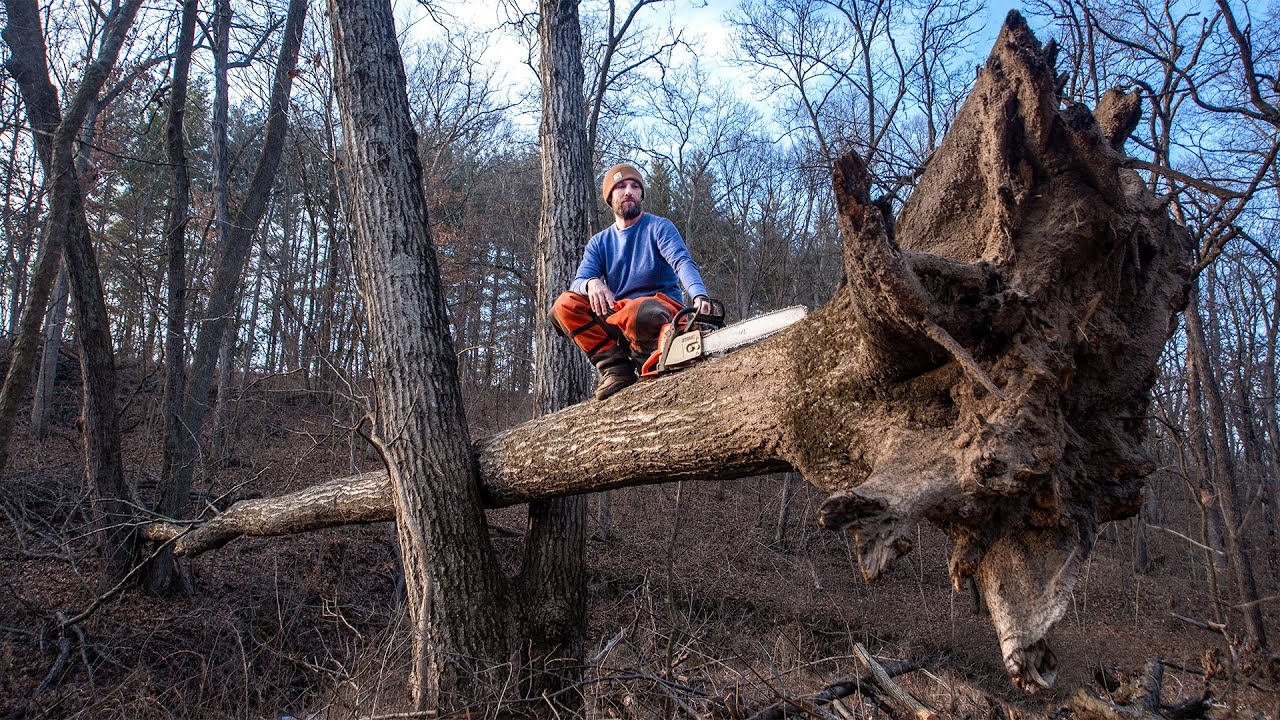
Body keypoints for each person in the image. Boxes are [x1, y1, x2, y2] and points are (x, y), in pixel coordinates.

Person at [552, 163, 712, 401]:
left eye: (634, 186)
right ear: (609, 198)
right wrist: (591, 283)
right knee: (564, 306)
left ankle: (649, 359)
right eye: (620, 187)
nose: (628, 191)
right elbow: (579, 281)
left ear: (641, 195)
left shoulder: (659, 227)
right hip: (622, 318)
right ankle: (617, 369)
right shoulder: (599, 242)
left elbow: (682, 262)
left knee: (639, 311)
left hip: (660, 312)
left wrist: (699, 296)